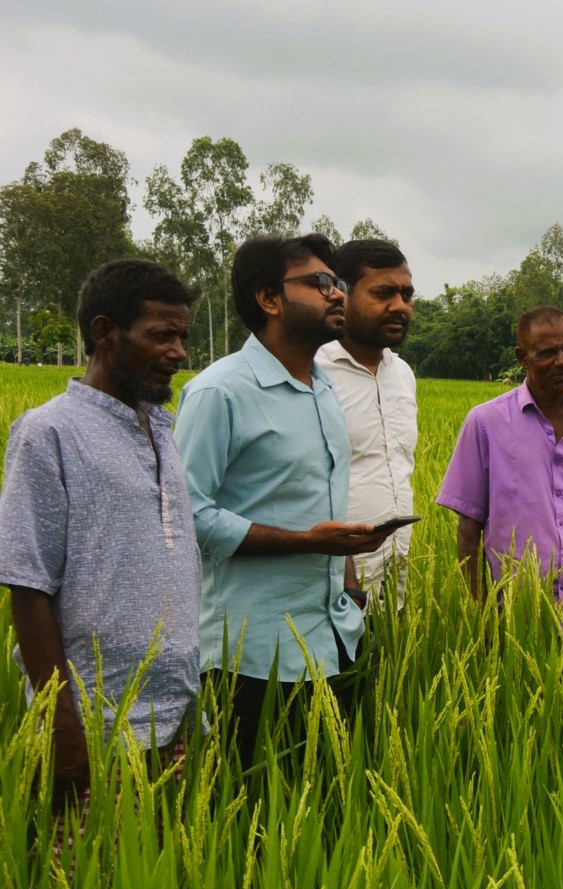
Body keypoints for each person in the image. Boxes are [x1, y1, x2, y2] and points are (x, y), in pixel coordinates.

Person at [176, 234, 394, 766]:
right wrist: (304, 544)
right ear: (269, 299)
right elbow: (186, 514)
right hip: (251, 653)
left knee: (326, 808)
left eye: (338, 283)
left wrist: (350, 586)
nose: (337, 295)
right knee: (252, 815)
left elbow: (322, 505)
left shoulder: (322, 389)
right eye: (321, 284)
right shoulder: (219, 392)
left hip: (333, 638)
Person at [0, 260, 204, 812]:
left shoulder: (162, 429)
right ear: (104, 332)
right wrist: (63, 725)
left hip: (176, 719)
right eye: (161, 336)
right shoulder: (49, 432)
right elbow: (28, 586)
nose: (179, 353)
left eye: (182, 337)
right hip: (96, 728)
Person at [436, 307, 563, 624]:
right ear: (523, 357)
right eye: (548, 353)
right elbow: (468, 530)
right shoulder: (485, 423)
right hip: (515, 619)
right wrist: (482, 616)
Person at [318, 238, 418, 604]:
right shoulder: (312, 372)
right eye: (383, 294)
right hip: (327, 584)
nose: (400, 307)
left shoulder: (403, 374)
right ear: (341, 294)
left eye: (406, 295)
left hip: (395, 580)